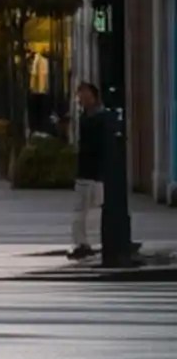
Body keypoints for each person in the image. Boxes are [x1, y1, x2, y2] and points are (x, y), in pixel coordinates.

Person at [70, 82, 105, 260]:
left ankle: (89, 243)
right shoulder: (85, 117)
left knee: (91, 210)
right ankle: (83, 243)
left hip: (96, 173)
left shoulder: (99, 118)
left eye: (85, 96)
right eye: (80, 97)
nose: (82, 100)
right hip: (86, 172)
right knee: (81, 211)